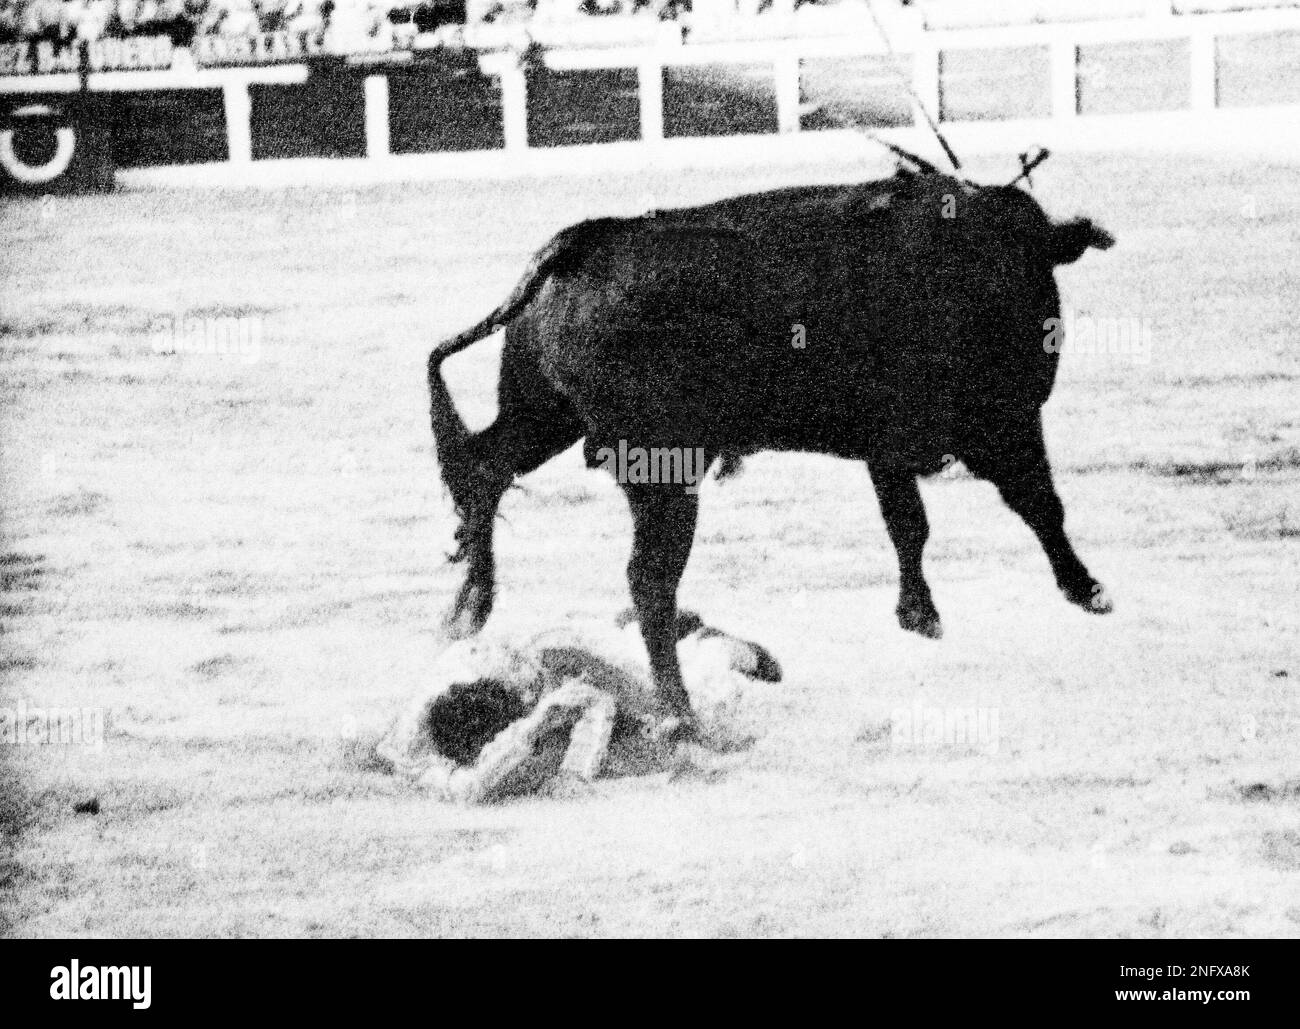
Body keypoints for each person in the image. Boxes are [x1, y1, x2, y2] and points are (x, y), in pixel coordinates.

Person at [376, 610, 781, 802]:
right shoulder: (416, 751)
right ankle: (640, 625)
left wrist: (677, 723)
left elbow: (593, 685)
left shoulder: (524, 669)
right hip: (544, 668)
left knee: (693, 696)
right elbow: (473, 783)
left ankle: (716, 644)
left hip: (565, 657)